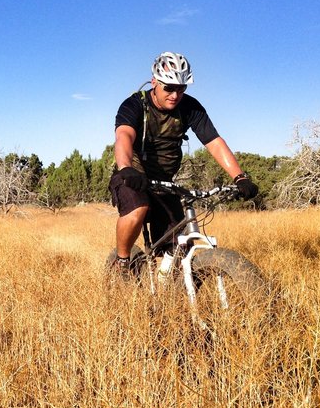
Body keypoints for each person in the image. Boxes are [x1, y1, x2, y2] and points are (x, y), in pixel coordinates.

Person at [108, 51, 259, 273]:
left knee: (181, 240)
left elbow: (214, 142)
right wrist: (126, 168)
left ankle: (169, 284)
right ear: (154, 83)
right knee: (138, 208)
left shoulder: (190, 107)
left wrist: (240, 177)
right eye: (169, 87)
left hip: (165, 181)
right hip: (132, 175)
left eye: (181, 88)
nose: (175, 94)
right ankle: (121, 262)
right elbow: (124, 137)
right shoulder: (134, 105)